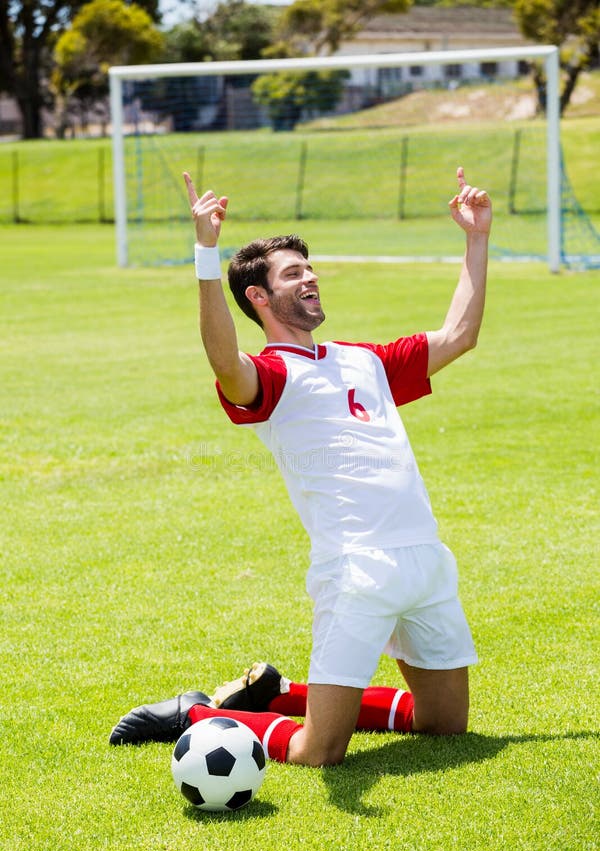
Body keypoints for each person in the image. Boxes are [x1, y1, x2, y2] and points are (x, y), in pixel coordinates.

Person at [110, 166, 492, 767]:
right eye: (294, 274)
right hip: (356, 569)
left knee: (443, 725)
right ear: (259, 297)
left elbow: (461, 334)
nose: (310, 278)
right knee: (320, 751)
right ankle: (201, 714)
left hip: (425, 560)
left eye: (309, 268)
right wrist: (205, 253)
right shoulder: (271, 376)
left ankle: (283, 694)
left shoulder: (365, 360)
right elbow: (221, 357)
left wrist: (476, 238)